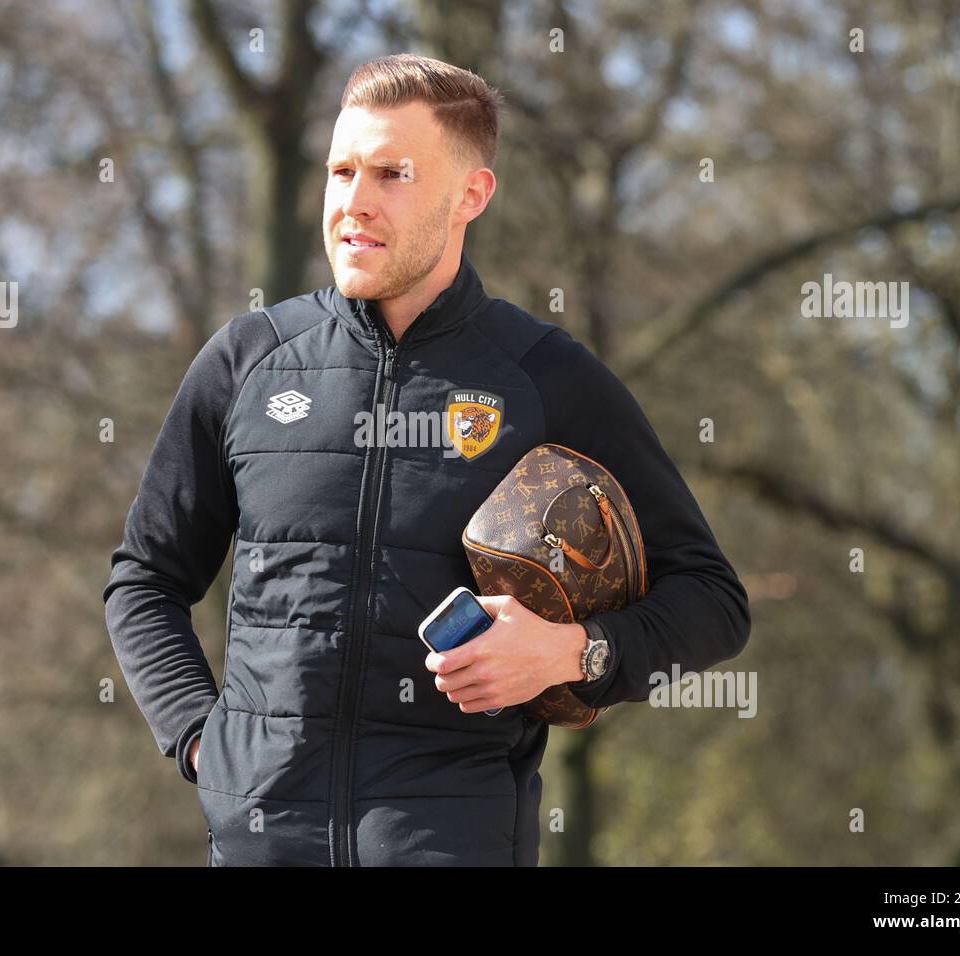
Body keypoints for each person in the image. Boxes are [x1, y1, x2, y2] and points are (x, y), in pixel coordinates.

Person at [103, 52, 751, 866]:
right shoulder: (248, 362)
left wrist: (572, 651)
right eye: (342, 171)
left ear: (470, 195)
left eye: (391, 174)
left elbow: (713, 603)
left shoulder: (547, 378)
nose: (353, 203)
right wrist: (203, 742)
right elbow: (145, 580)